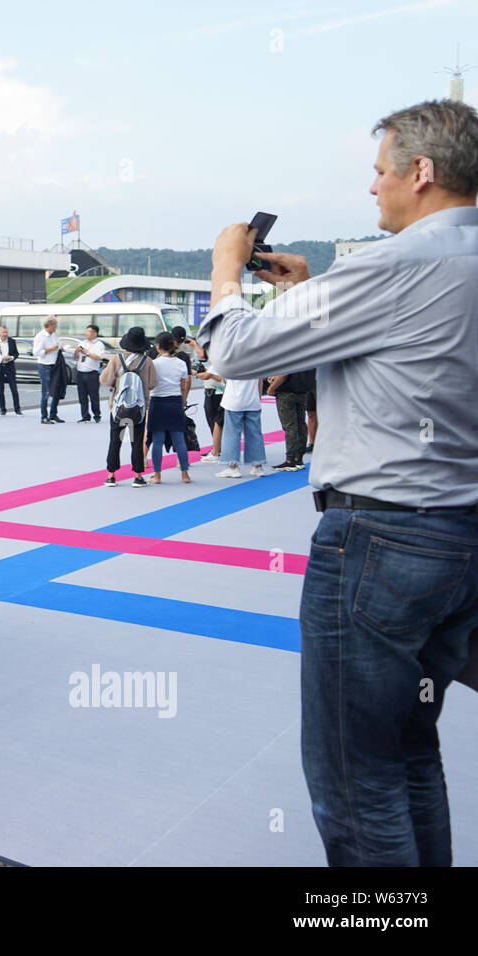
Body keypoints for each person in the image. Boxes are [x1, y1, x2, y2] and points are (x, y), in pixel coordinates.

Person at [198, 99, 478, 866]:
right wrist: (307, 290)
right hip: (460, 538)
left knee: (356, 775)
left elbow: (236, 350)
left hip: (380, 540)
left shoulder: (392, 266)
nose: (372, 189)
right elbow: (408, 358)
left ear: (420, 173)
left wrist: (226, 268)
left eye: (379, 171)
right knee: (412, 746)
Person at [98, 326, 156, 487]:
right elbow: (153, 383)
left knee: (115, 440)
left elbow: (104, 380)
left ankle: (111, 475)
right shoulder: (147, 361)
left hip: (118, 406)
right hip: (139, 407)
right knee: (137, 441)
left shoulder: (117, 359)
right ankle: (138, 476)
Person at [143, 332, 192, 484]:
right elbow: (183, 386)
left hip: (157, 402)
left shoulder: (154, 363)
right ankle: (185, 474)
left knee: (157, 440)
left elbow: (149, 385)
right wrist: (183, 402)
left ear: (158, 346)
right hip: (175, 401)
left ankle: (157, 476)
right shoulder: (181, 363)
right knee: (179, 440)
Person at [214, 375, 265, 478]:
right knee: (255, 434)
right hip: (252, 401)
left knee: (231, 434)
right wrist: (258, 398)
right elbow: (260, 382)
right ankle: (258, 466)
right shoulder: (256, 361)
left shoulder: (233, 361)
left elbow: (223, 378)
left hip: (234, 401)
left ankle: (232, 467)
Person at [266, 368, 315, 471]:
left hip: (286, 392)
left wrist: (272, 387)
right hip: (302, 391)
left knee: (290, 426)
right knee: (300, 424)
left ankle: (290, 460)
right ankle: (298, 458)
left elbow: (284, 373)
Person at [32, 317, 63, 423]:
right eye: (55, 324)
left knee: (56, 390)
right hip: (44, 366)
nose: (56, 327)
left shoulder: (54, 336)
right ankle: (44, 416)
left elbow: (57, 346)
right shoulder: (40, 336)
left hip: (55, 365)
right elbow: (35, 352)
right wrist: (50, 349)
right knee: (46, 392)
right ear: (50, 324)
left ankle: (53, 413)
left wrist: (60, 348)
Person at [73, 324, 104, 422]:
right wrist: (77, 351)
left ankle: (97, 415)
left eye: (90, 331)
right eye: (86, 331)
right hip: (81, 372)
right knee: (82, 396)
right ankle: (85, 416)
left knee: (94, 395)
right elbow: (76, 357)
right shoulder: (83, 343)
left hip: (92, 373)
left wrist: (87, 352)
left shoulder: (99, 344)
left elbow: (99, 357)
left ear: (95, 333)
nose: (87, 333)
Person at [0, 325, 21, 415]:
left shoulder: (12, 341)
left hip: (10, 367)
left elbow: (16, 354)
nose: (5, 334)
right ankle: (3, 409)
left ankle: (17, 409)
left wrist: (12, 357)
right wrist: (2, 357)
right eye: (3, 332)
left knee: (14, 389)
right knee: (0, 390)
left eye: (6, 332)